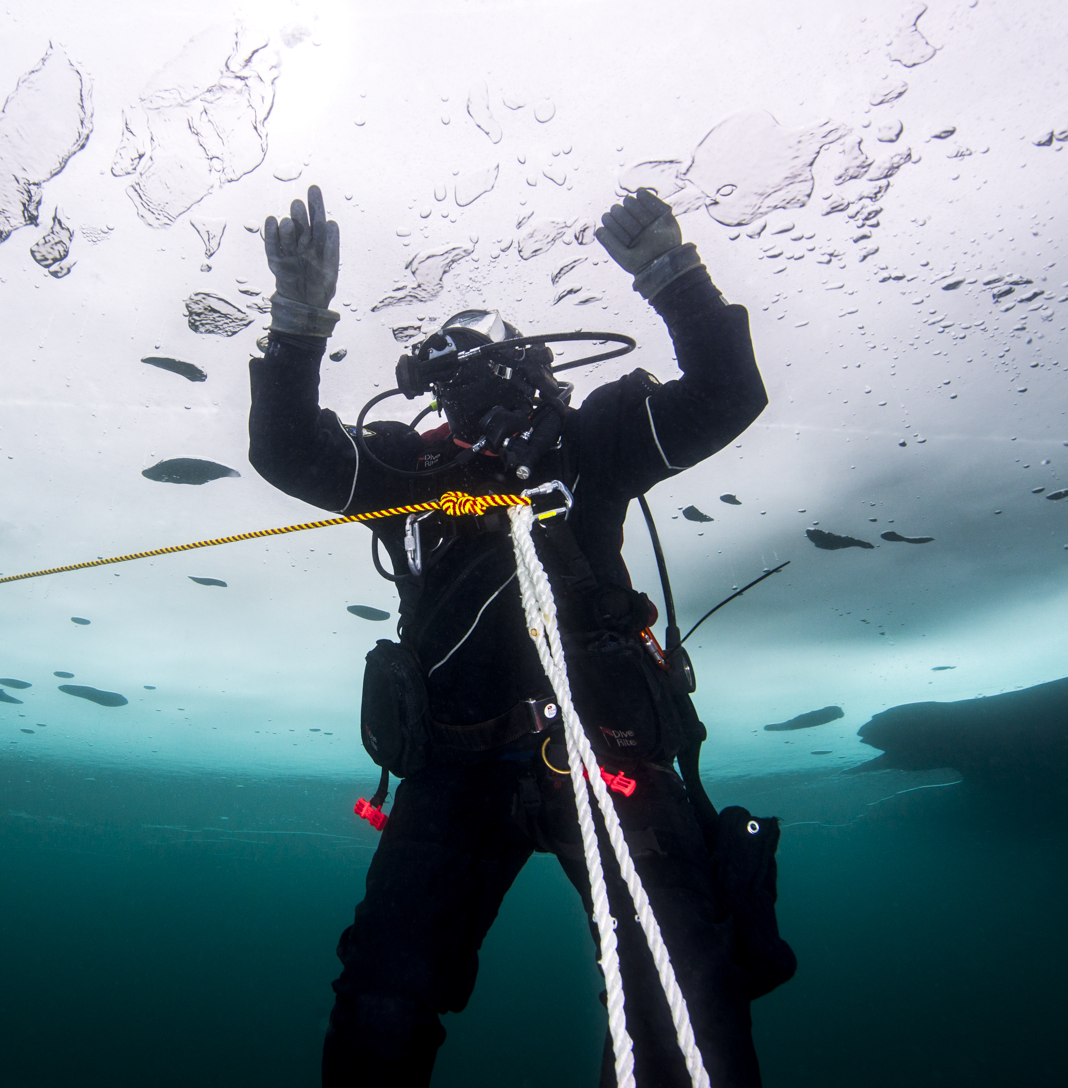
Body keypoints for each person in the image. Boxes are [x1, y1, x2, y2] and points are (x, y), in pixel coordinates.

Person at [249, 184, 788, 1087]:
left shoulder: (597, 443)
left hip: (603, 752)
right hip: (452, 772)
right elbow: (291, 452)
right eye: (448, 371)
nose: (469, 386)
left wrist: (672, 272)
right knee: (385, 992)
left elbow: (729, 394)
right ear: (434, 396)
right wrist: (298, 319)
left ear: (530, 370)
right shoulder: (408, 471)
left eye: (484, 363)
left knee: (681, 986)